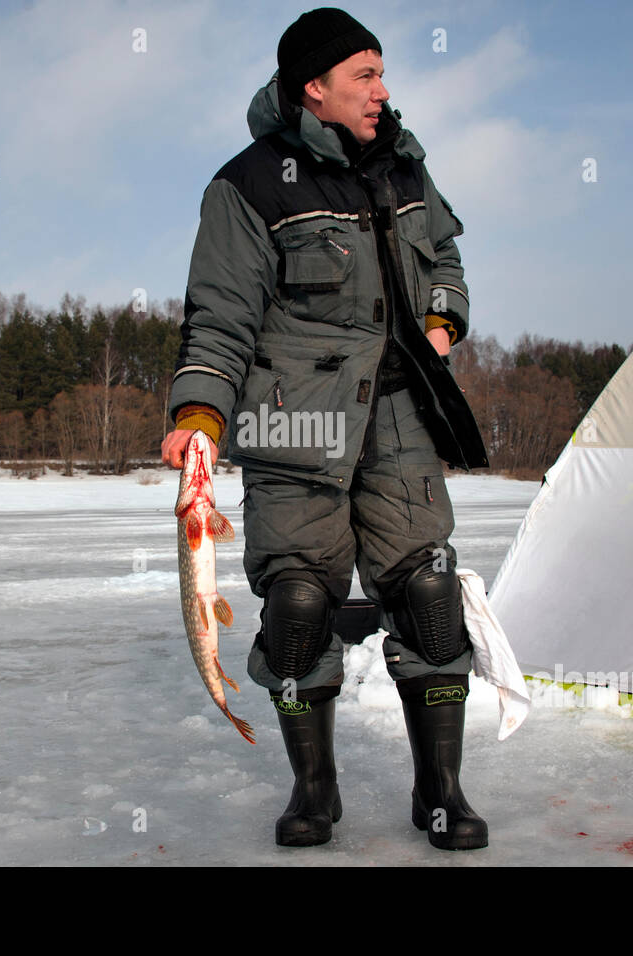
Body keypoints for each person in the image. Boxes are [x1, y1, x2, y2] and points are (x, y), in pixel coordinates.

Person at [161, 7, 489, 850]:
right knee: (300, 604)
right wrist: (198, 412)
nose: (383, 91)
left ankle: (440, 788)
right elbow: (219, 315)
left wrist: (441, 326)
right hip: (293, 423)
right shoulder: (249, 185)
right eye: (365, 75)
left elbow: (446, 263)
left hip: (398, 418)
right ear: (315, 86)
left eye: (382, 73)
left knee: (429, 597)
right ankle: (316, 789)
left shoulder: (405, 168)